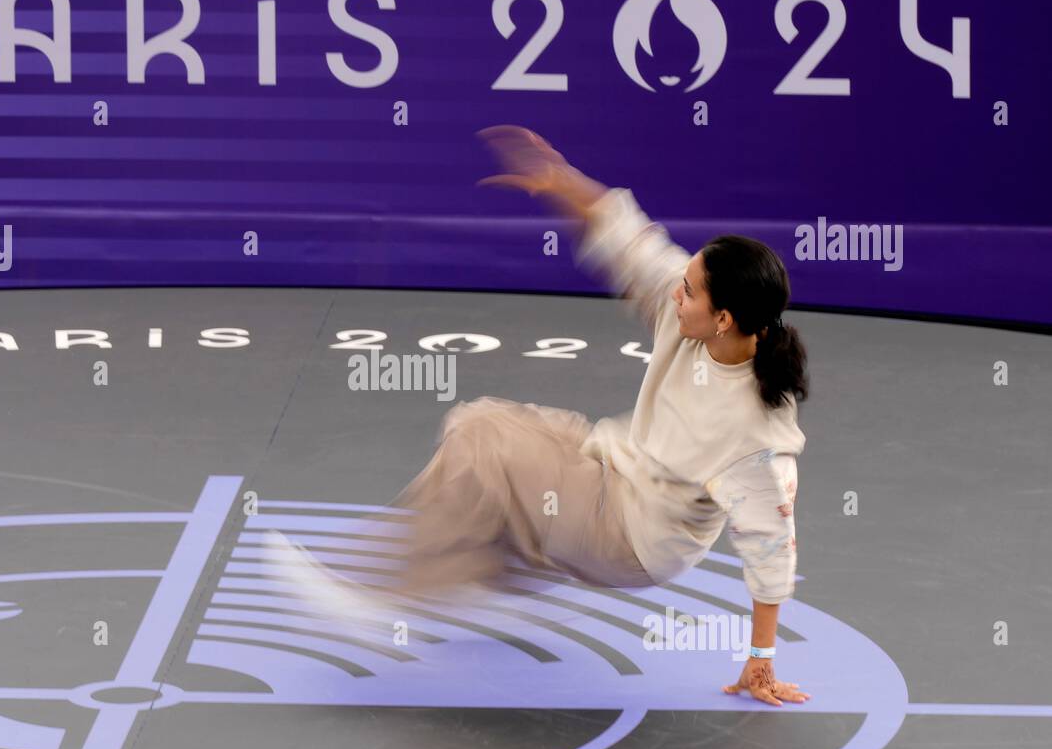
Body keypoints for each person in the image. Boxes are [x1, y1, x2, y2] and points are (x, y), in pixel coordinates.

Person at [270, 124, 812, 707]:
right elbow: (632, 241)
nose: (676, 291)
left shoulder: (756, 434)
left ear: (724, 317)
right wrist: (561, 181)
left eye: (689, 290)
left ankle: (379, 594)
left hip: (633, 535)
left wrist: (760, 664)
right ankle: (485, 566)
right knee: (475, 428)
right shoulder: (695, 316)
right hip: (613, 469)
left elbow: (771, 549)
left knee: (487, 452)